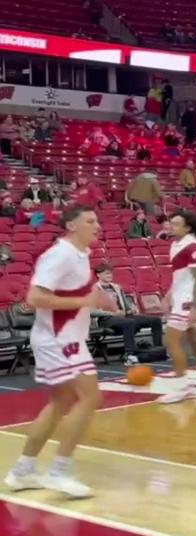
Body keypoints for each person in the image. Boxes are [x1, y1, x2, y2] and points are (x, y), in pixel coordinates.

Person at [6, 205, 118, 499]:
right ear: (71, 225)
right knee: (90, 397)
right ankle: (59, 471)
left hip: (65, 338)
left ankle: (22, 471)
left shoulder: (81, 255)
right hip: (58, 339)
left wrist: (101, 300)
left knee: (62, 402)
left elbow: (78, 292)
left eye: (97, 220)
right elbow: (35, 297)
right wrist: (84, 300)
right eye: (90, 221)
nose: (97, 225)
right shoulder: (60, 254)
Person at [152, 211, 196, 404]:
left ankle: (181, 388)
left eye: (176, 224)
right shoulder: (175, 244)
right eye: (170, 223)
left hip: (191, 297)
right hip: (182, 294)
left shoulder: (194, 246)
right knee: (195, 339)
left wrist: (194, 306)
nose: (170, 226)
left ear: (188, 227)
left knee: (170, 340)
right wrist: (168, 296)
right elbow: (180, 277)